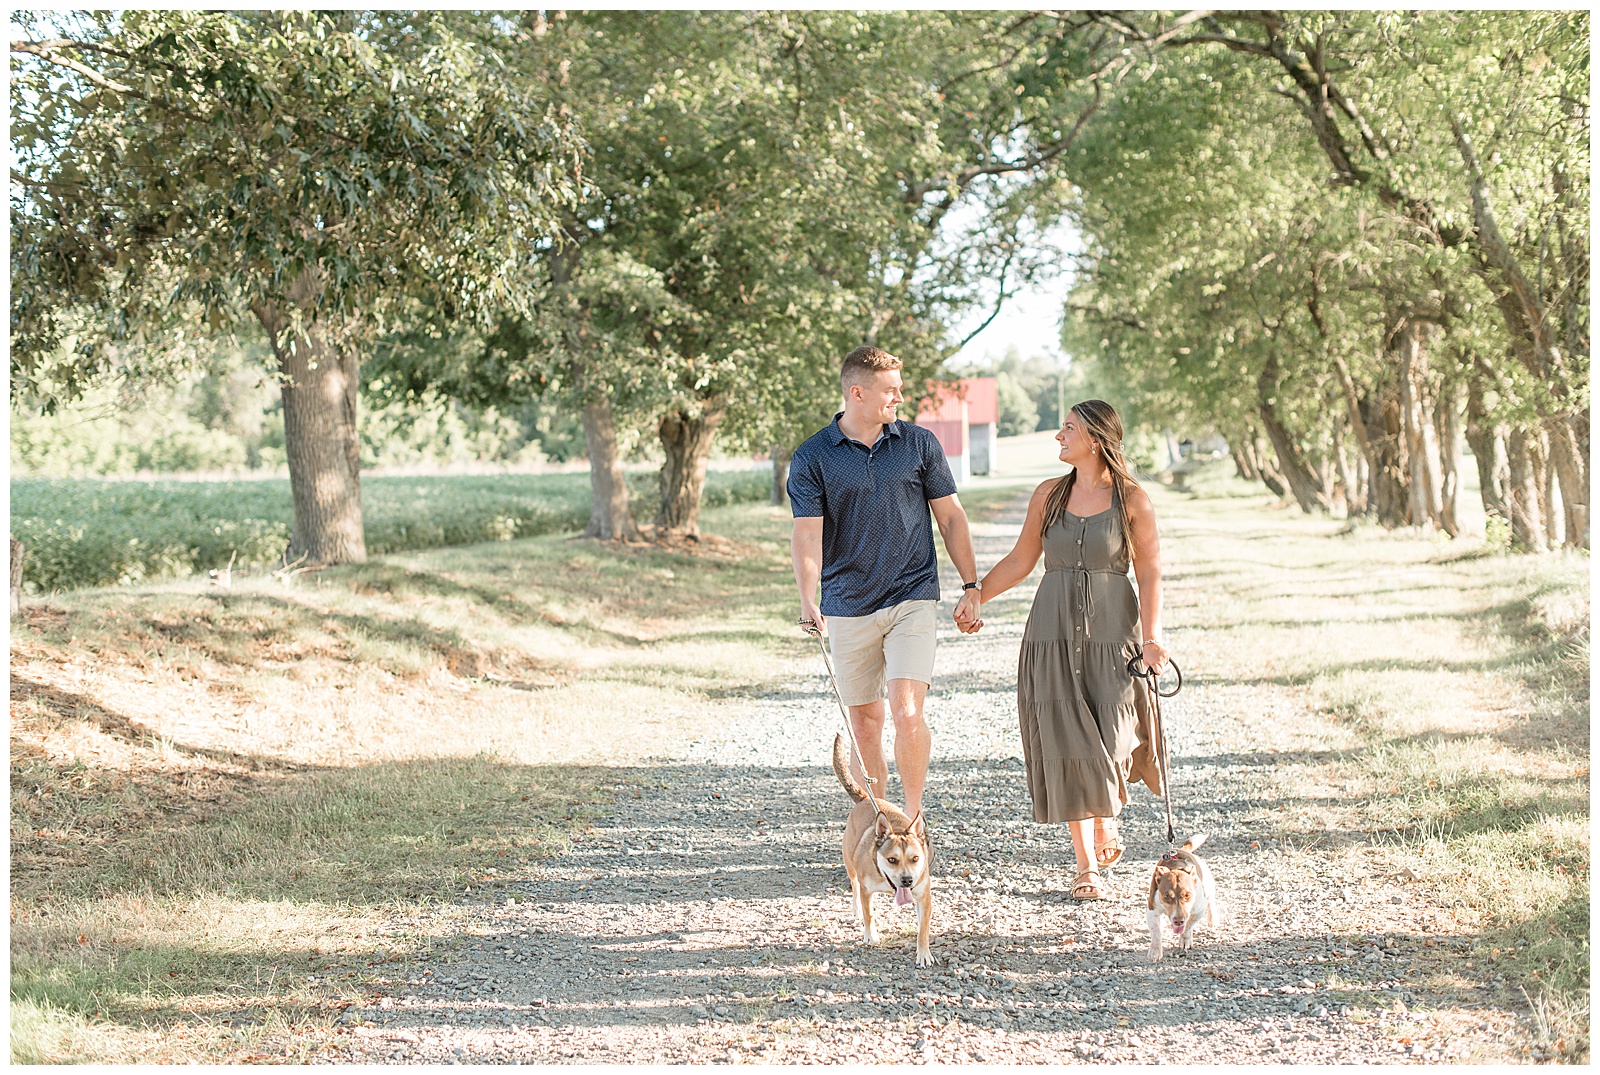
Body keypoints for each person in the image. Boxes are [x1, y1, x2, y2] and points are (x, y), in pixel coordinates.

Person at [953, 399, 1168, 901]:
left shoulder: (1132, 499)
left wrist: (1154, 637)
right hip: (1050, 633)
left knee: (1114, 739)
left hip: (1114, 633)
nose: (1058, 436)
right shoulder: (1049, 495)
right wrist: (978, 593)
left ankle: (1104, 814)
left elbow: (1151, 570)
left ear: (1095, 439)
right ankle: (1086, 864)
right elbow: (1023, 558)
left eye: (1068, 428)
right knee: (1068, 744)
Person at [789, 345, 981, 822]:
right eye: (891, 389)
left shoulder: (918, 444)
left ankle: (912, 822)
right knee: (865, 722)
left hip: (910, 596)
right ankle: (881, 821)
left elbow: (951, 517)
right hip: (846, 603)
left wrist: (971, 584)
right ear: (858, 392)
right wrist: (807, 597)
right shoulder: (813, 456)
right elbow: (807, 533)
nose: (900, 396)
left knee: (907, 709)